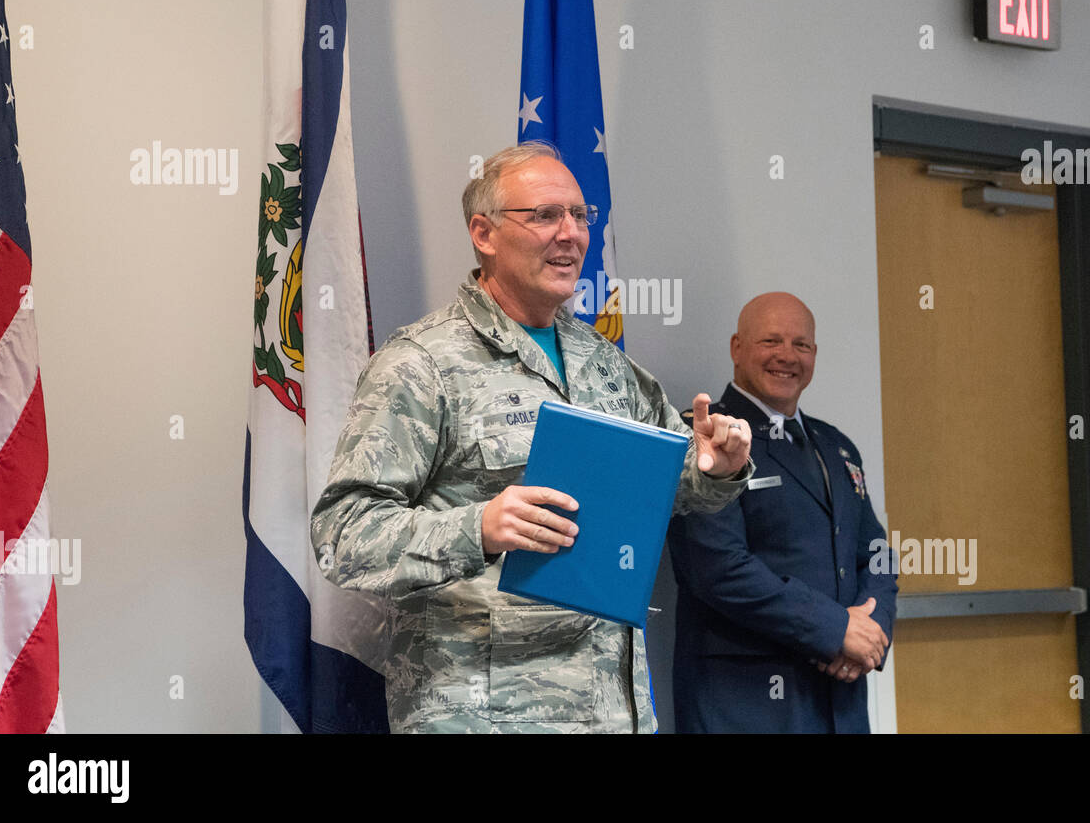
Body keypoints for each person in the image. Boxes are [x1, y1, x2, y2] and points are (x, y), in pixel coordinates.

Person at [311, 141, 753, 733]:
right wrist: (479, 528)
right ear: (483, 233)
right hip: (484, 715)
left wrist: (713, 468)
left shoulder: (604, 362)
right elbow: (343, 535)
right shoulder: (421, 363)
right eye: (545, 215)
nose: (570, 233)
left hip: (611, 712)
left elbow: (663, 491)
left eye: (579, 215)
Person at [668, 292, 897, 733]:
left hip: (841, 701)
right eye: (770, 341)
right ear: (737, 348)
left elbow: (876, 552)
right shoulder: (703, 436)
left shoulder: (834, 445)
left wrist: (871, 632)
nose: (786, 357)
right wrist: (836, 631)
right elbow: (717, 569)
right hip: (746, 705)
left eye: (801, 345)